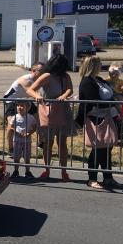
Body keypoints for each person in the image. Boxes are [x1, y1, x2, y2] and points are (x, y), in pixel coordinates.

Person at [26, 53, 74, 181]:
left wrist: (65, 95)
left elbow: (70, 89)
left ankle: (64, 172)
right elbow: (30, 89)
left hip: (63, 111)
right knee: (48, 142)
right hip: (49, 112)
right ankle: (46, 170)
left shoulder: (65, 76)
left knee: (62, 143)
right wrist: (37, 96)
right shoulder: (47, 76)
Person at [75, 55, 118, 190]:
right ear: (93, 66)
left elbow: (110, 94)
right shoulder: (87, 82)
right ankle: (92, 178)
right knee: (98, 150)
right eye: (99, 64)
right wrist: (111, 102)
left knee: (107, 149)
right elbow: (92, 102)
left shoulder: (98, 79)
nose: (101, 66)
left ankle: (108, 177)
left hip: (108, 118)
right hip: (96, 120)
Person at [7, 101, 37, 178]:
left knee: (27, 157)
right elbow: (11, 127)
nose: (19, 107)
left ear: (28, 108)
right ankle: (16, 171)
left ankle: (27, 172)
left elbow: (34, 127)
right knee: (16, 157)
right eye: (18, 106)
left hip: (27, 141)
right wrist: (17, 133)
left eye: (22, 106)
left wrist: (29, 133)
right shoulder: (15, 117)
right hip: (17, 140)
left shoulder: (30, 117)